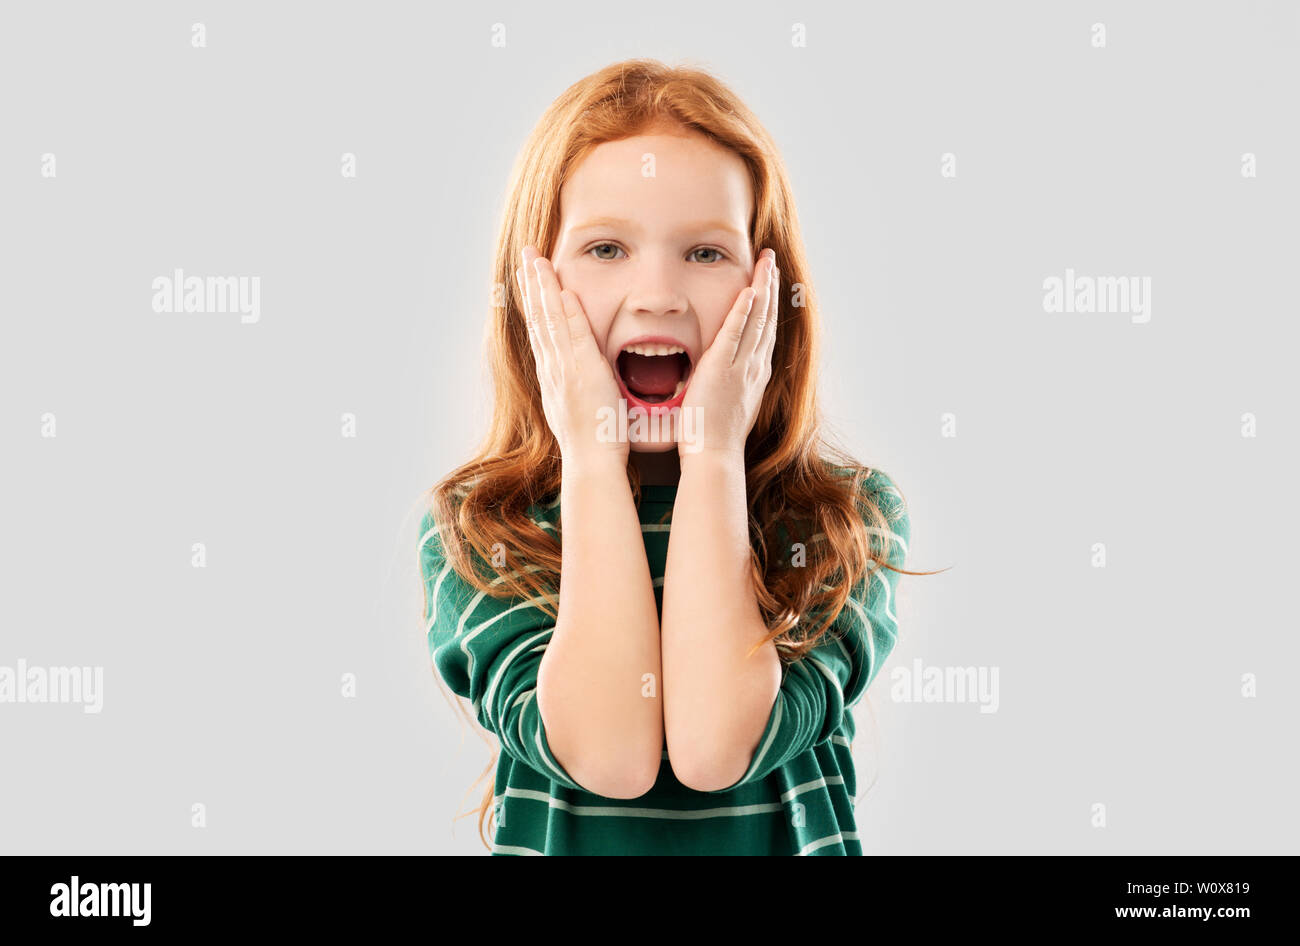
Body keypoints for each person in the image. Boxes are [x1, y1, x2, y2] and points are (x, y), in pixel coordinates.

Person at [418, 58, 925, 855]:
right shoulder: (484, 530)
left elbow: (717, 749)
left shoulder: (843, 523)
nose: (657, 294)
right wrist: (591, 458)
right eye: (607, 248)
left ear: (769, 284)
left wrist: (714, 457)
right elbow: (610, 757)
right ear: (534, 284)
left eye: (705, 253)